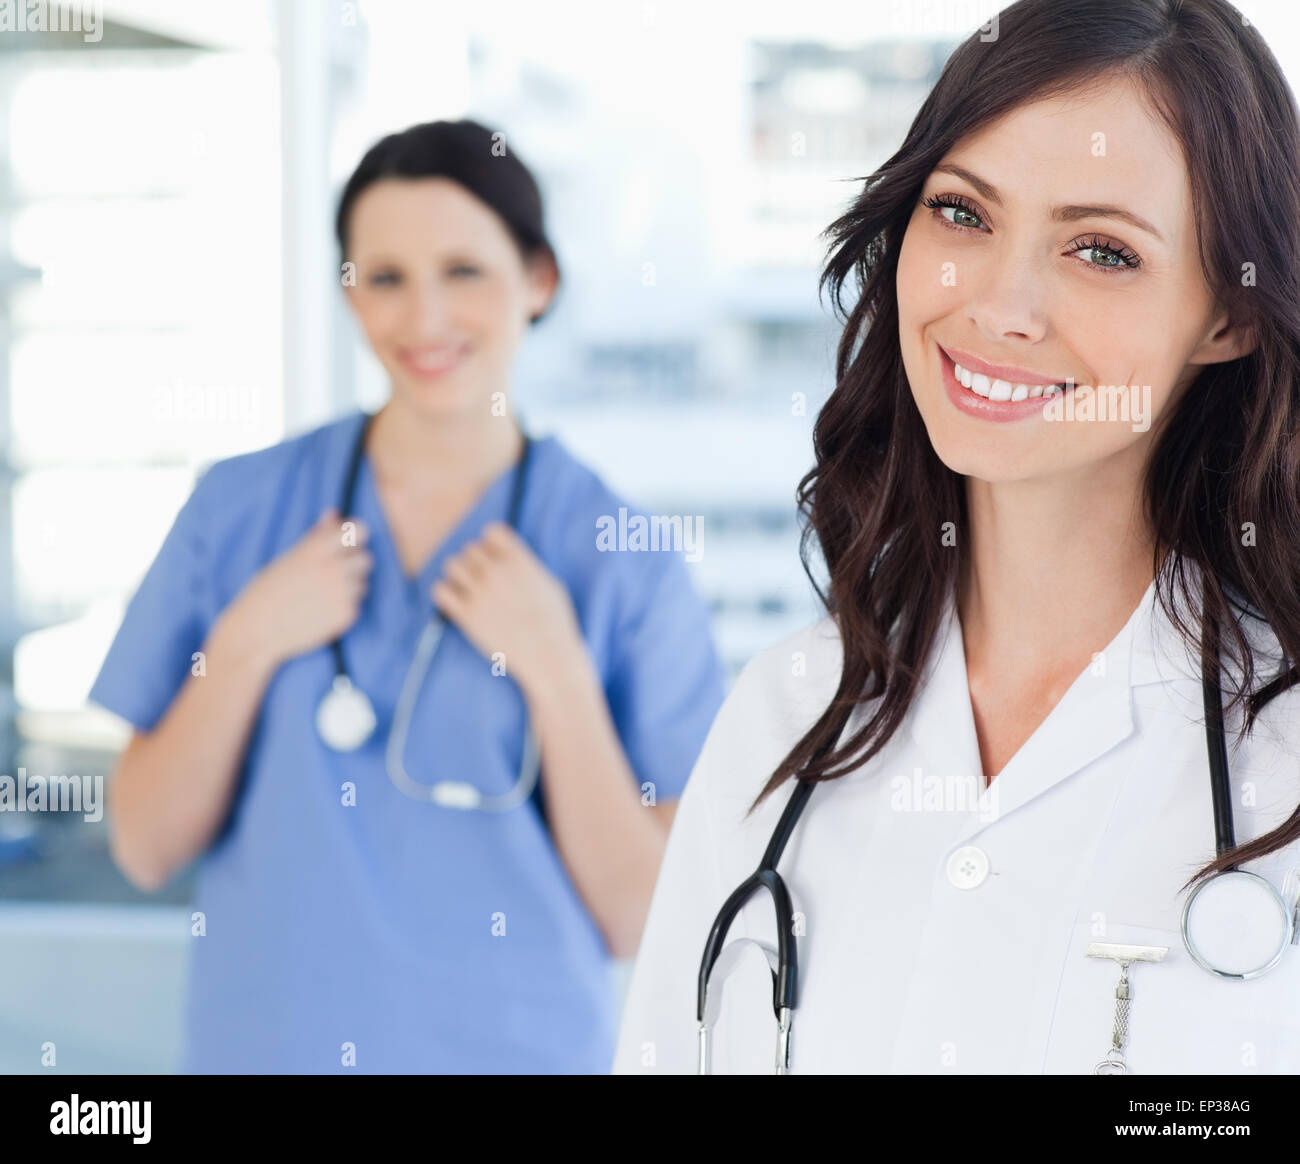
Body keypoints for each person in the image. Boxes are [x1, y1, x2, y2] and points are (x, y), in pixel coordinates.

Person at [614, 0, 1300, 1075]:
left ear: (1230, 316)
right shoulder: (782, 715)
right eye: (963, 215)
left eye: (1101, 251)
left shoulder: (1283, 755)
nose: (1000, 304)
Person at [90, 118, 725, 1073]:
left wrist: (555, 672)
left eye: (464, 271)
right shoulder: (242, 509)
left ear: (538, 281)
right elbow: (142, 845)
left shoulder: (619, 555)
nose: (424, 319)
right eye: (385, 278)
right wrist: (251, 640)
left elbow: (641, 917)